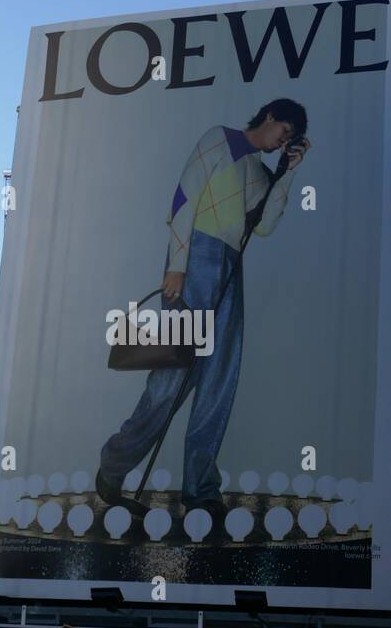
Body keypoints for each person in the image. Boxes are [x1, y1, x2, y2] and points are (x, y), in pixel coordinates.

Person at [97, 99, 311, 524]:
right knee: (171, 379)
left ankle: (200, 489)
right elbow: (184, 197)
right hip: (195, 262)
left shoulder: (262, 171)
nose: (281, 141)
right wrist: (176, 266)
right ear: (268, 117)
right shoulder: (222, 139)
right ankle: (115, 463)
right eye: (282, 132)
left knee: (218, 382)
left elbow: (264, 227)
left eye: (288, 140)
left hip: (231, 272)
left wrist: (288, 173)